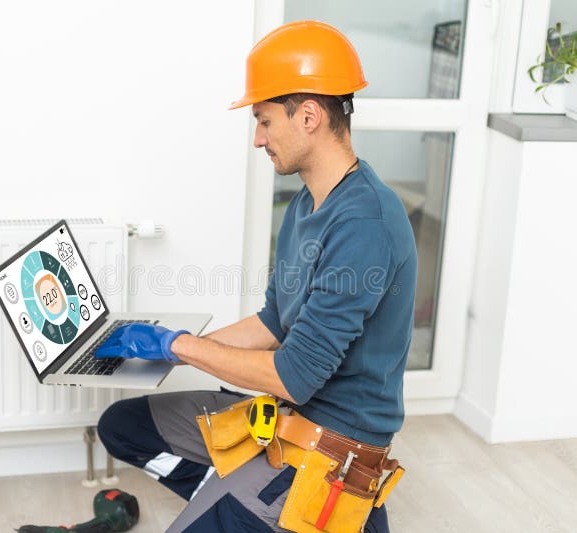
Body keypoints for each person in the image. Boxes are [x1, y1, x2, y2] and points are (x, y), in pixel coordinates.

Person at [96, 20, 416, 533]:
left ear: (309, 115)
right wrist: (162, 354)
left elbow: (294, 373)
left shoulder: (365, 224)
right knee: (123, 426)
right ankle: (226, 499)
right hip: (282, 418)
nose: (257, 138)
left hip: (329, 452)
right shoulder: (306, 205)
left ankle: (287, 514)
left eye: (264, 120)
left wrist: (179, 345)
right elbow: (273, 320)